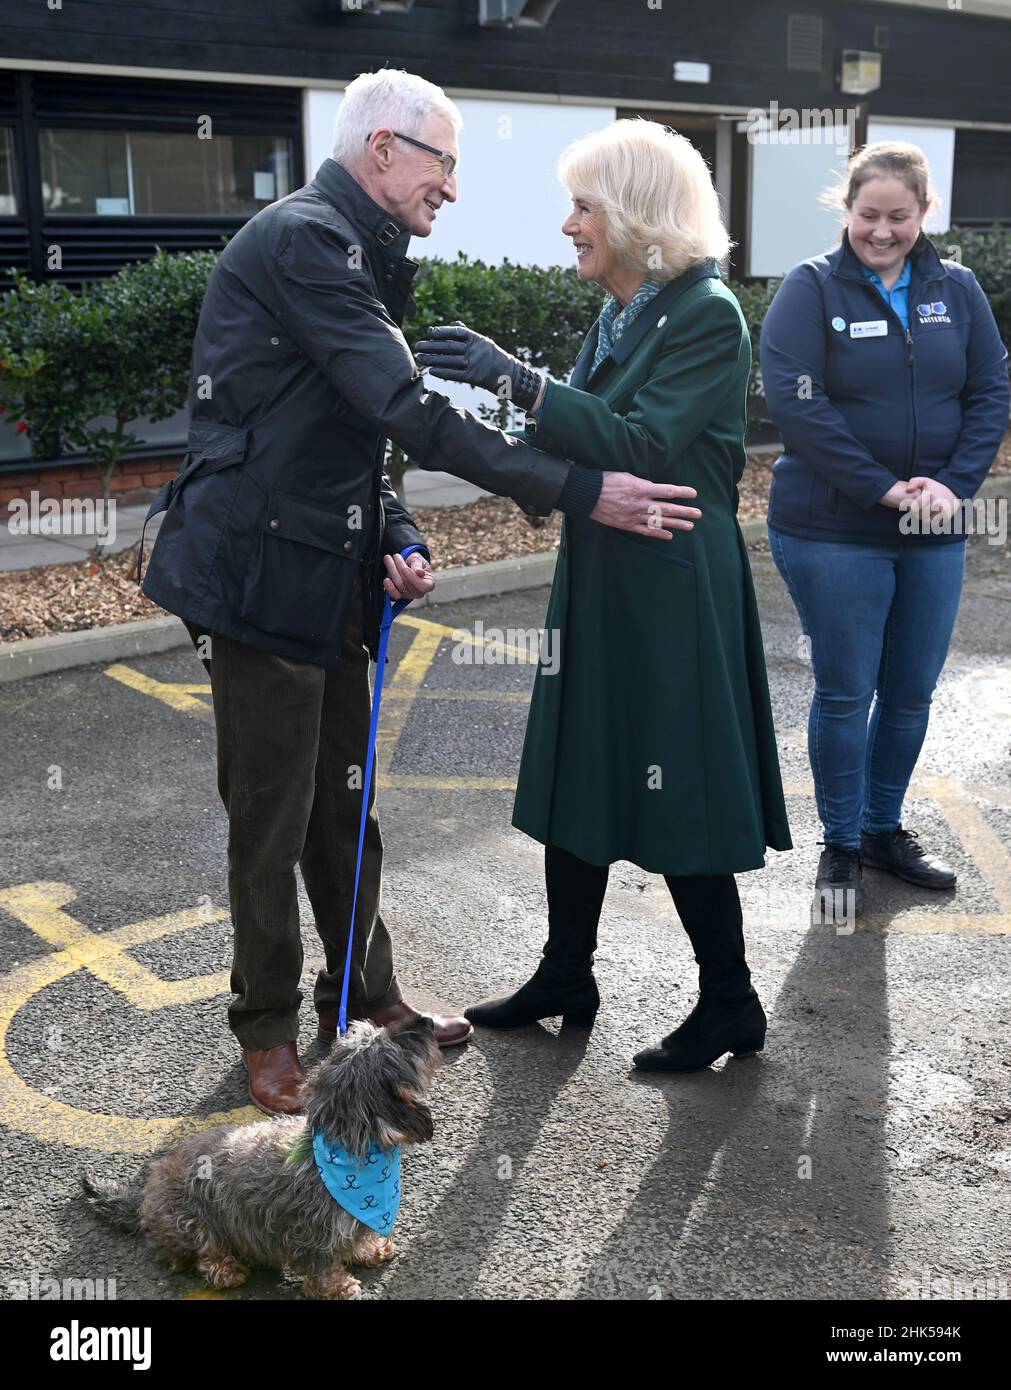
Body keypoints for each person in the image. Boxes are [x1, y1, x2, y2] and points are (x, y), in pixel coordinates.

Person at [141, 73, 700, 1115]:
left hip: (324, 574)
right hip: (257, 574)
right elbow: (399, 403)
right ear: (385, 150)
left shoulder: (358, 249)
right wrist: (583, 490)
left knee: (345, 807)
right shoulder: (309, 239)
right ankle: (265, 1030)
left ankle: (363, 995)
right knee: (272, 818)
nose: (452, 188)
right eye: (444, 163)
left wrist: (393, 530)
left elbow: (348, 426)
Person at [416, 119, 792, 1071]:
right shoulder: (623, 311)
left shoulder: (706, 311)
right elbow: (582, 447)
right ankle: (564, 974)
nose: (569, 224)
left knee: (681, 787)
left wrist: (519, 379)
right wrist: (499, 427)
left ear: (635, 213)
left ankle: (730, 1003)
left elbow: (639, 448)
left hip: (669, 592)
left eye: (584, 205)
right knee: (578, 767)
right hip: (601, 576)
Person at [759, 141, 1009, 923]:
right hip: (833, 528)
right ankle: (838, 841)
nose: (881, 231)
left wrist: (952, 485)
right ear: (847, 210)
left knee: (907, 694)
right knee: (845, 691)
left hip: (934, 524)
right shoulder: (809, 288)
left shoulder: (955, 288)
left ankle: (881, 829)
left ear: (923, 214)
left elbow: (989, 388)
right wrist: (882, 488)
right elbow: (795, 405)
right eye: (868, 215)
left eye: (898, 217)